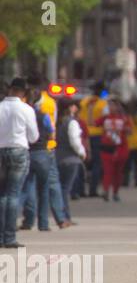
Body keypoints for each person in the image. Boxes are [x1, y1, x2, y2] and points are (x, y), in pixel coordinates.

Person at [19, 77, 60, 231]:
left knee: (25, 188)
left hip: (26, 152)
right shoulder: (44, 114)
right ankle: (43, 224)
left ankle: (20, 219)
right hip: (44, 153)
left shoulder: (22, 112)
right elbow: (51, 133)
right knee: (43, 190)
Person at [0, 78, 37, 249]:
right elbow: (33, 137)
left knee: (1, 195)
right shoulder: (26, 109)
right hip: (18, 151)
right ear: (22, 92)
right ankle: (9, 237)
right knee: (13, 194)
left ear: (10, 89)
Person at [54, 96, 86, 227]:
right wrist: (82, 153)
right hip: (71, 159)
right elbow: (75, 141)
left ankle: (61, 216)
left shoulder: (57, 121)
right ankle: (65, 216)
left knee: (60, 188)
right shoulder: (72, 122)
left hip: (57, 158)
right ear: (70, 107)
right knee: (65, 189)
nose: (76, 108)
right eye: (74, 105)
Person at [97, 97, 131, 202]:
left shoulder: (124, 118)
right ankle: (106, 191)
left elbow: (130, 131)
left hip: (121, 148)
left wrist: (120, 129)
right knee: (107, 171)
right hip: (107, 148)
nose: (110, 107)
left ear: (118, 106)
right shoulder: (105, 118)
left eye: (112, 105)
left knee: (118, 172)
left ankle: (116, 192)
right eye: (109, 105)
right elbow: (93, 123)